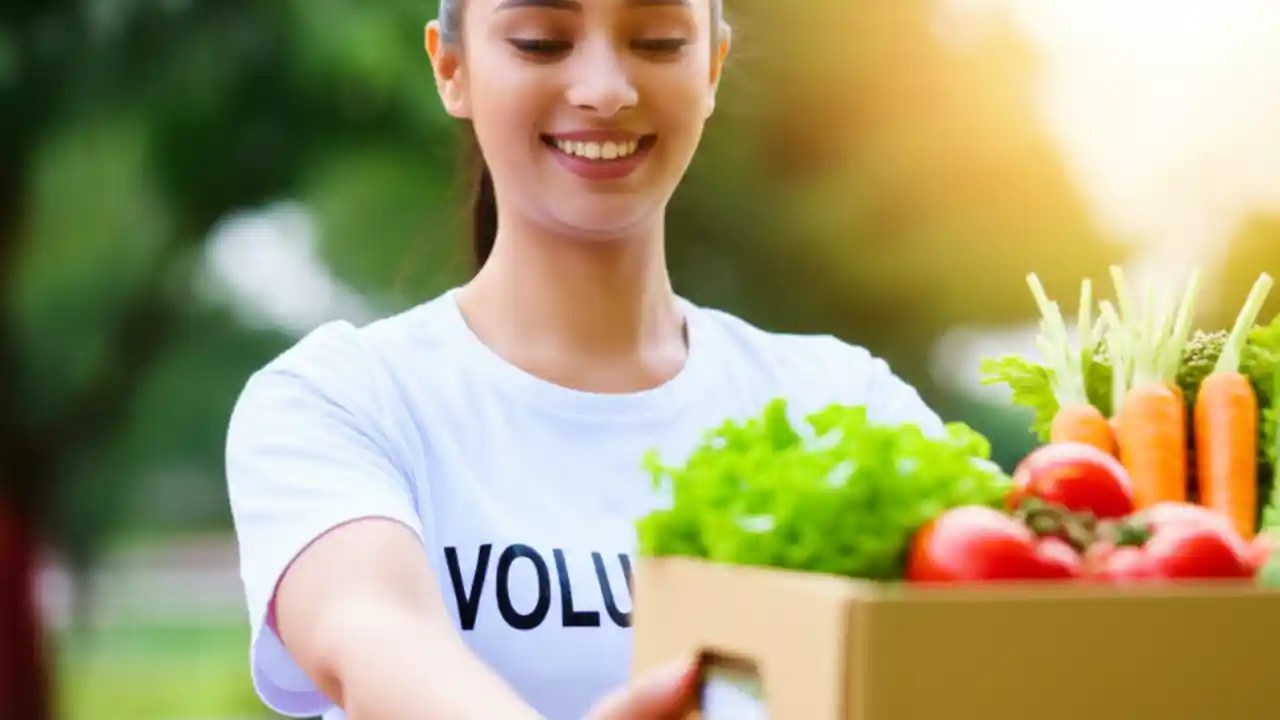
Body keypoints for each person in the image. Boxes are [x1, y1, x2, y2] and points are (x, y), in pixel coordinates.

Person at [223, 0, 946, 718]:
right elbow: (372, 634)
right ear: (452, 68)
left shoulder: (844, 402)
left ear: (713, 67)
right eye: (541, 41)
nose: (605, 89)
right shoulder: (341, 399)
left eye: (659, 41)